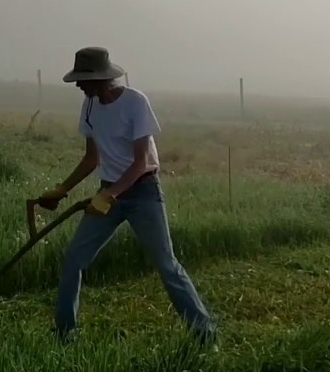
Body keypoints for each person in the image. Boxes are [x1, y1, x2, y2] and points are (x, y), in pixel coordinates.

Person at [36, 46, 217, 345]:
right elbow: (91, 159)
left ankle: (205, 334)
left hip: (142, 192)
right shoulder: (90, 107)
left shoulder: (135, 102)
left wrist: (111, 195)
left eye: (83, 79)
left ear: (101, 79)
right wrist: (62, 189)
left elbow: (141, 162)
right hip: (108, 191)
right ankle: (64, 334)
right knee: (73, 262)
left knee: (167, 265)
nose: (78, 85)